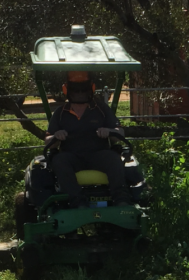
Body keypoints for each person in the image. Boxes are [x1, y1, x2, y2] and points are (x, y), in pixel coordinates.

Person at [45, 71, 128, 208]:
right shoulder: (60, 113)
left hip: (98, 154)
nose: (80, 93)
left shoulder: (101, 108)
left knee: (113, 158)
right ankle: (77, 202)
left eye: (83, 89)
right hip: (71, 156)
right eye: (75, 90)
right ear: (67, 90)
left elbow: (120, 132)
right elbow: (48, 141)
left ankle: (122, 201)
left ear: (91, 89)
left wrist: (109, 131)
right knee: (59, 161)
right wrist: (56, 137)